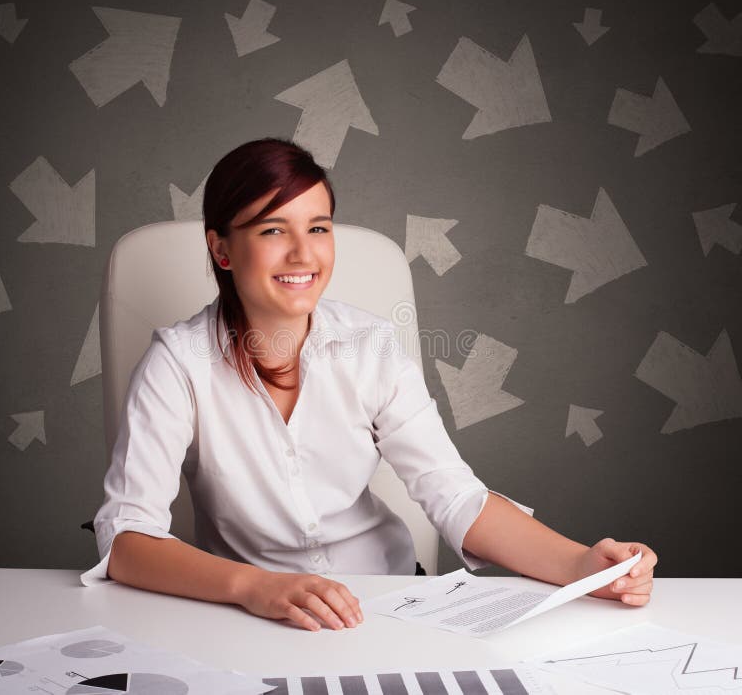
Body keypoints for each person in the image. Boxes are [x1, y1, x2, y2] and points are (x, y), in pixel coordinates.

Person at [81, 137, 657, 633]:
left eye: (318, 228)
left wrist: (583, 565)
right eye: (273, 229)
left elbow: (455, 495)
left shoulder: (372, 346)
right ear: (221, 249)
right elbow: (127, 538)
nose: (303, 253)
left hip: (389, 603)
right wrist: (254, 587)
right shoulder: (177, 363)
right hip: (254, 616)